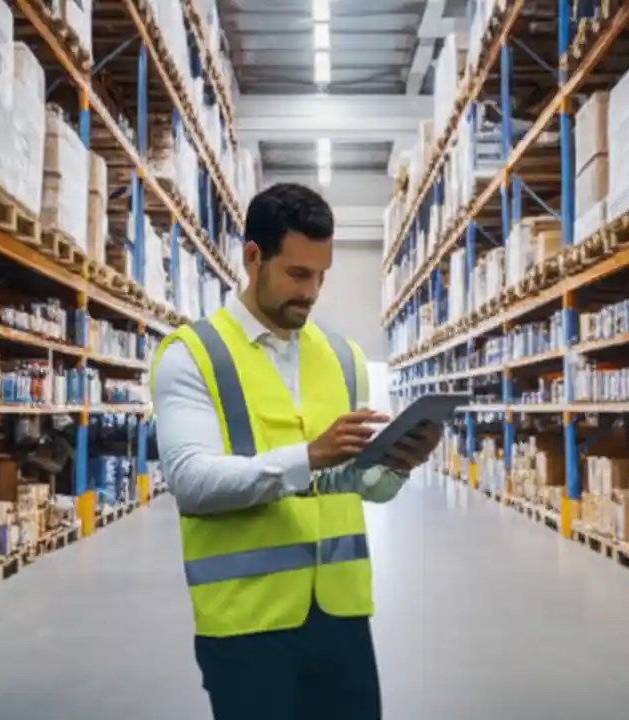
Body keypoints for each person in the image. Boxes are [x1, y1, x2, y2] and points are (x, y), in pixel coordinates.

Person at [150, 183, 442, 720]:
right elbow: (190, 483)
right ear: (253, 257)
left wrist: (400, 462)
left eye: (322, 276)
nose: (311, 292)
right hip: (247, 623)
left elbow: (357, 484)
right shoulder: (193, 356)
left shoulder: (341, 356)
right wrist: (308, 456)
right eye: (298, 274)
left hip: (341, 615)